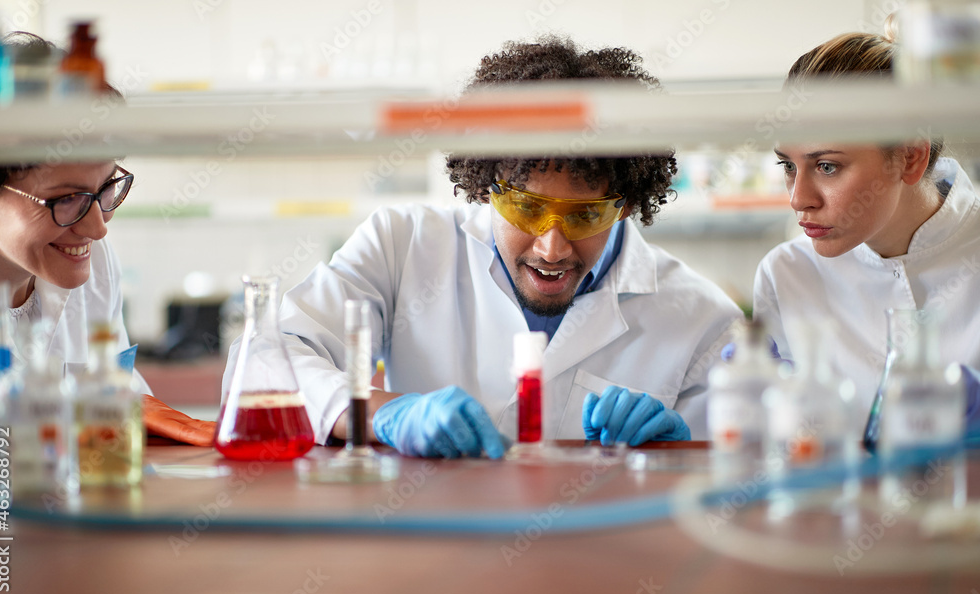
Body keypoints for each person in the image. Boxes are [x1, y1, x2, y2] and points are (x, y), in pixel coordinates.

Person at [223, 36, 742, 458]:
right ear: (486, 185)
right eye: (526, 208)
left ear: (625, 206)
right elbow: (264, 364)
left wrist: (683, 455)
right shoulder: (401, 245)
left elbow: (735, 481)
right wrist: (382, 414)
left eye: (586, 215)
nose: (552, 247)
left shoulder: (703, 321)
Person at [752, 28, 980, 439]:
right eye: (788, 166)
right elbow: (783, 453)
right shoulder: (786, 273)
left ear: (910, 157)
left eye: (827, 166)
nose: (798, 199)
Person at [0, 33, 148, 393]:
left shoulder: (96, 264)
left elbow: (121, 403)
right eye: (68, 199)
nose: (97, 229)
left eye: (107, 187)